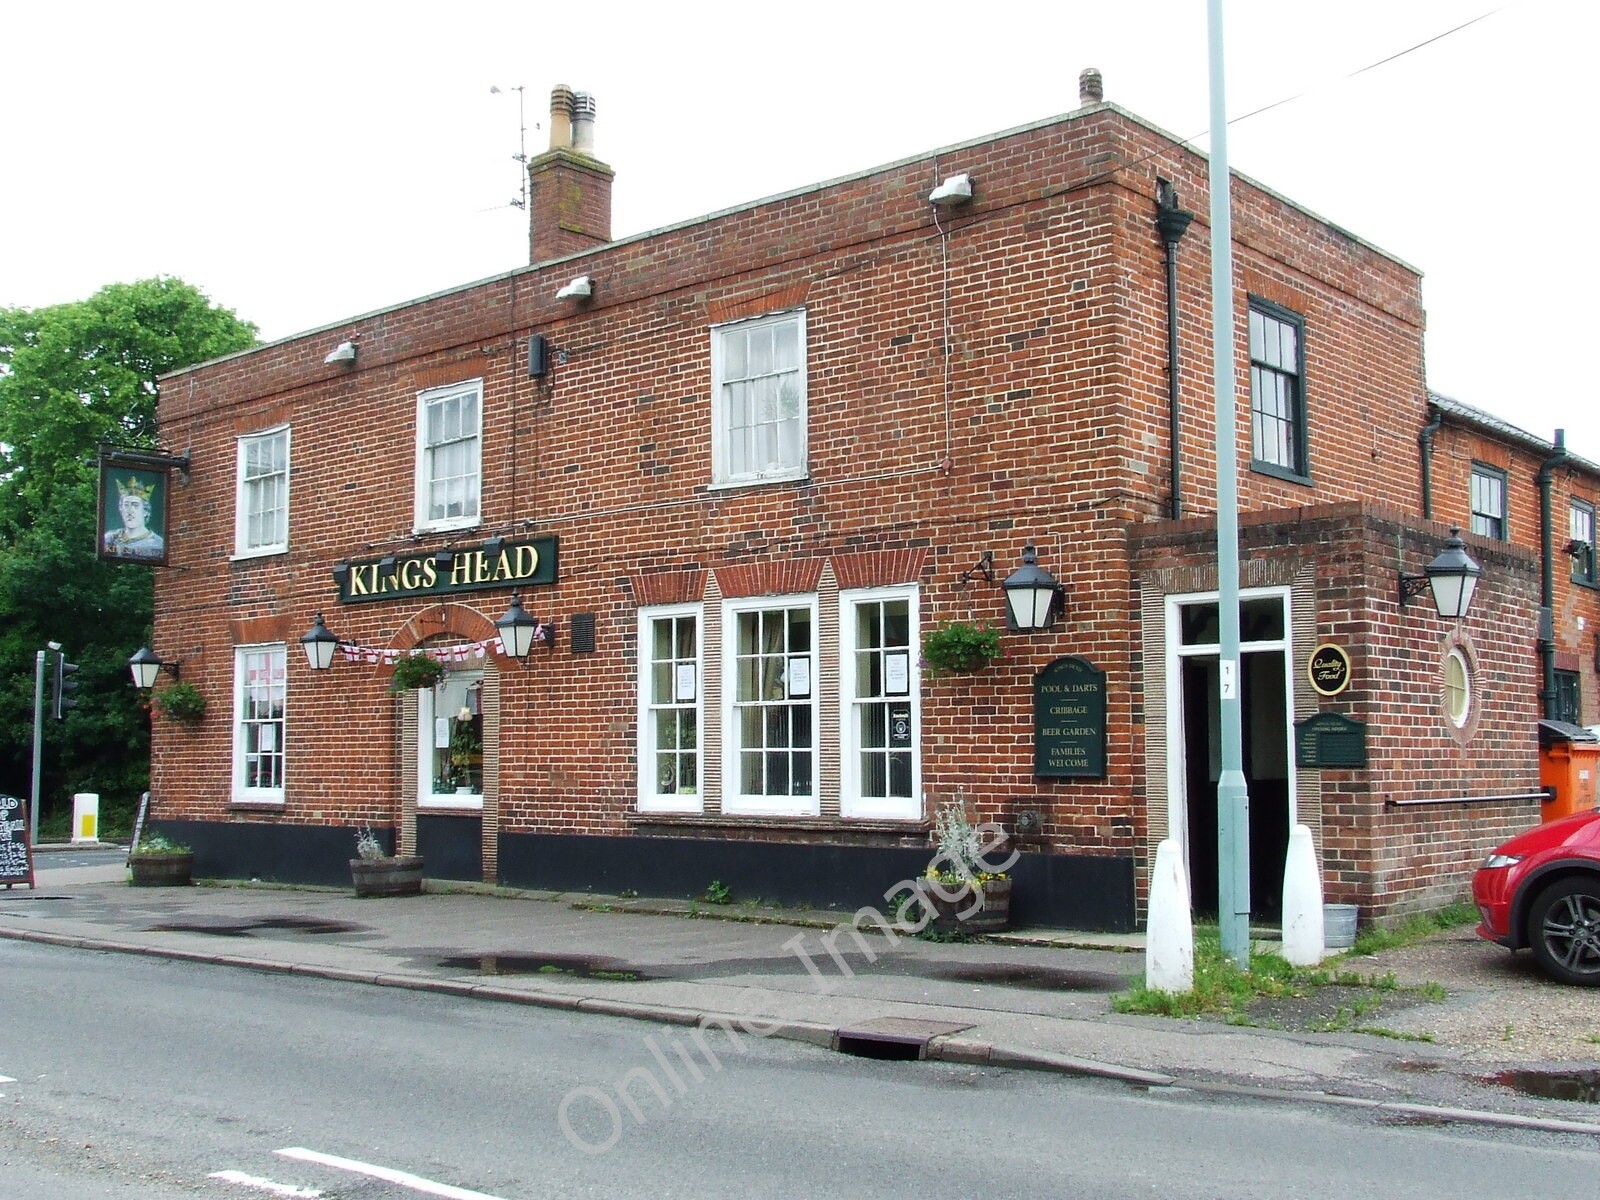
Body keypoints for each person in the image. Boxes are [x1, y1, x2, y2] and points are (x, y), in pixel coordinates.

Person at [103, 475, 165, 559]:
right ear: (121, 509)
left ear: (145, 511)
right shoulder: (109, 538)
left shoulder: (158, 544)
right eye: (126, 505)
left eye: (135, 505)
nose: (130, 510)